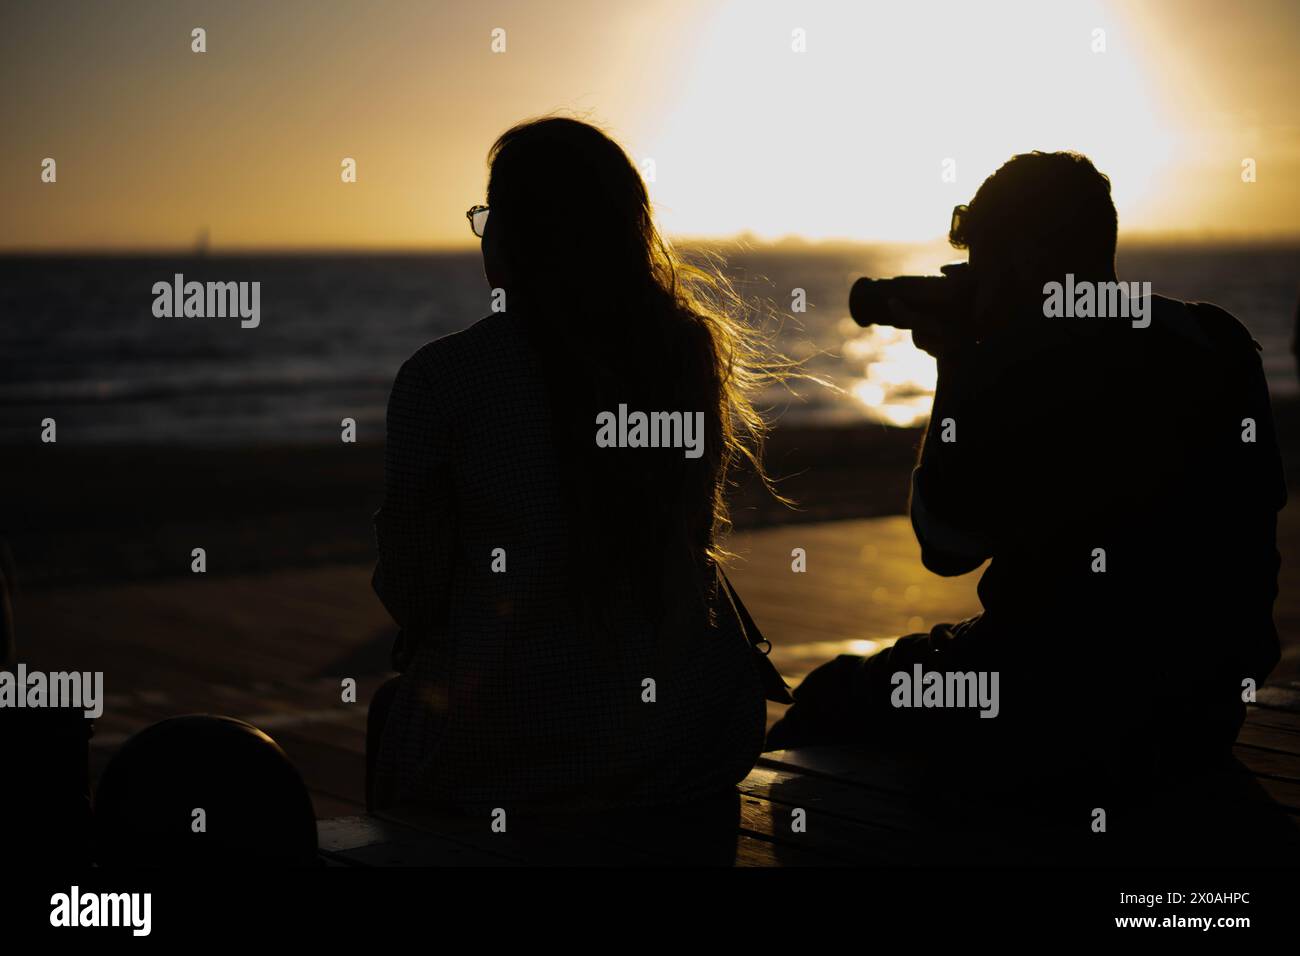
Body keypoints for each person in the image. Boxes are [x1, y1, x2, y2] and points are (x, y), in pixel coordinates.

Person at [768, 152, 1285, 805]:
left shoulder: (1027, 354)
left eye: (983, 260)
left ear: (1020, 258)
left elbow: (946, 545)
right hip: (1204, 709)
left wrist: (956, 362)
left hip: (1035, 707)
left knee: (832, 694)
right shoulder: (1217, 337)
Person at [368, 117, 777, 815]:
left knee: (392, 713)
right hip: (682, 738)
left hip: (502, 755)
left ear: (512, 235)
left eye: (490, 214)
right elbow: (692, 541)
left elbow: (411, 589)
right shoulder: (682, 354)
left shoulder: (445, 378)